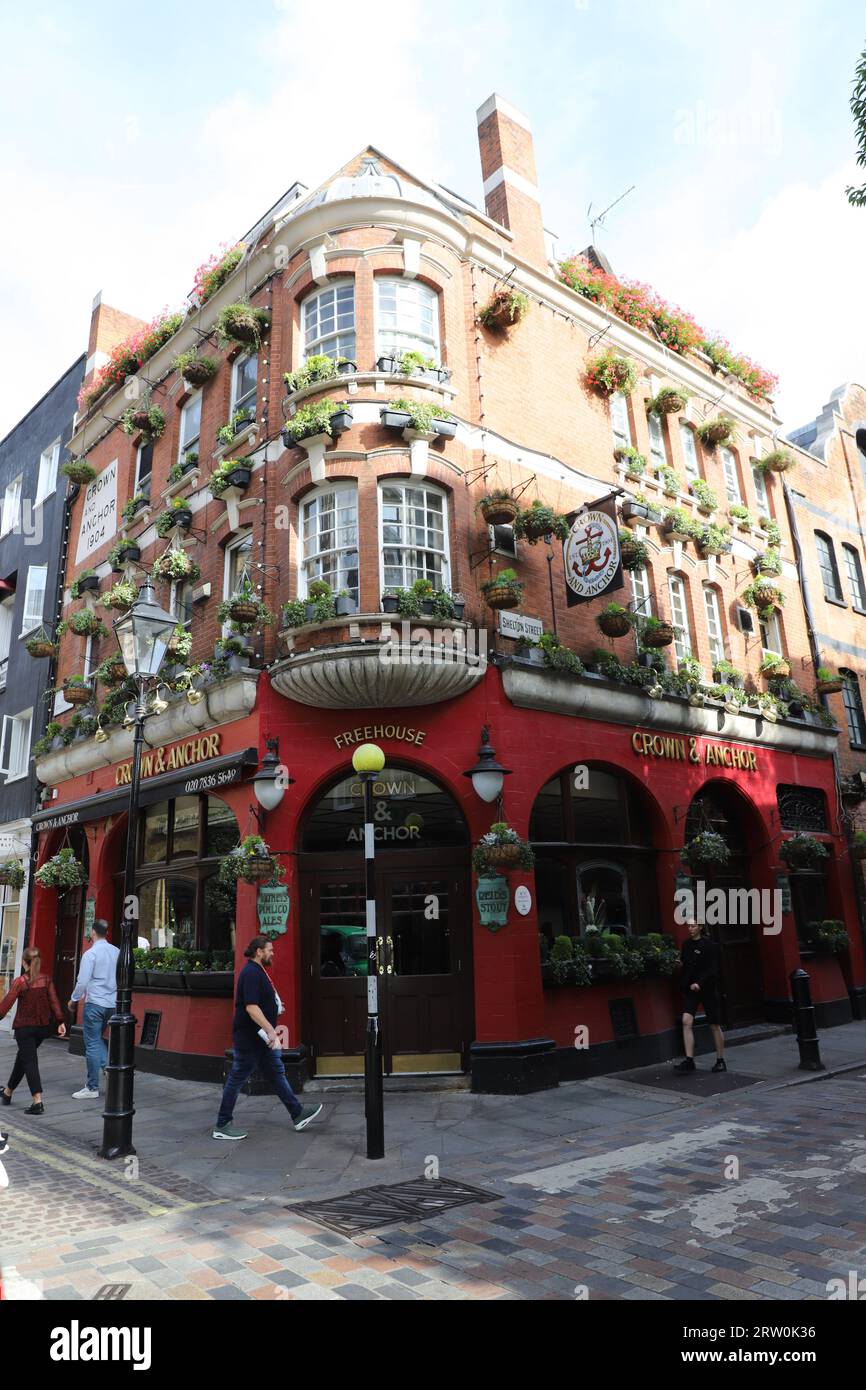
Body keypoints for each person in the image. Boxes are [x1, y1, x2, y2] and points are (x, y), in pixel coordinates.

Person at [213, 936, 322, 1140]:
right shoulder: (251, 973)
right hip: (250, 1038)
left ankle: (297, 1114)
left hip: (261, 1039)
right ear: (258, 952)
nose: (272, 953)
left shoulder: (257, 971)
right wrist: (272, 1031)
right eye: (269, 950)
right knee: (237, 1078)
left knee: (276, 1072)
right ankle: (222, 1124)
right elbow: (251, 1007)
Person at [0, 947, 67, 1113]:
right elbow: (54, 1001)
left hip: (25, 1029)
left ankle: (37, 1102)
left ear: (24, 962)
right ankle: (7, 1093)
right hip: (42, 1029)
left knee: (29, 1061)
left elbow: (5, 1005)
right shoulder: (46, 980)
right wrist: (60, 1021)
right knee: (23, 1058)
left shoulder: (21, 981)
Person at [68, 919, 119, 1099]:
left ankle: (91, 1087)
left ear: (93, 932)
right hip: (112, 1005)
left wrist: (74, 999)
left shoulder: (90, 954)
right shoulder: (117, 952)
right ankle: (108, 1070)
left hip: (95, 1003)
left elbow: (82, 981)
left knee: (91, 1044)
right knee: (97, 1040)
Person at [674, 919, 726, 1073]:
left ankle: (720, 1060)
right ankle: (689, 1060)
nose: (690, 928)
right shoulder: (686, 944)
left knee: (714, 1025)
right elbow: (685, 964)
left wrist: (700, 983)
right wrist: (679, 965)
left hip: (707, 989)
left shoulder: (710, 946)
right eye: (688, 926)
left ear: (700, 927)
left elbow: (713, 969)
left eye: (693, 926)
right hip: (691, 989)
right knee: (686, 1021)